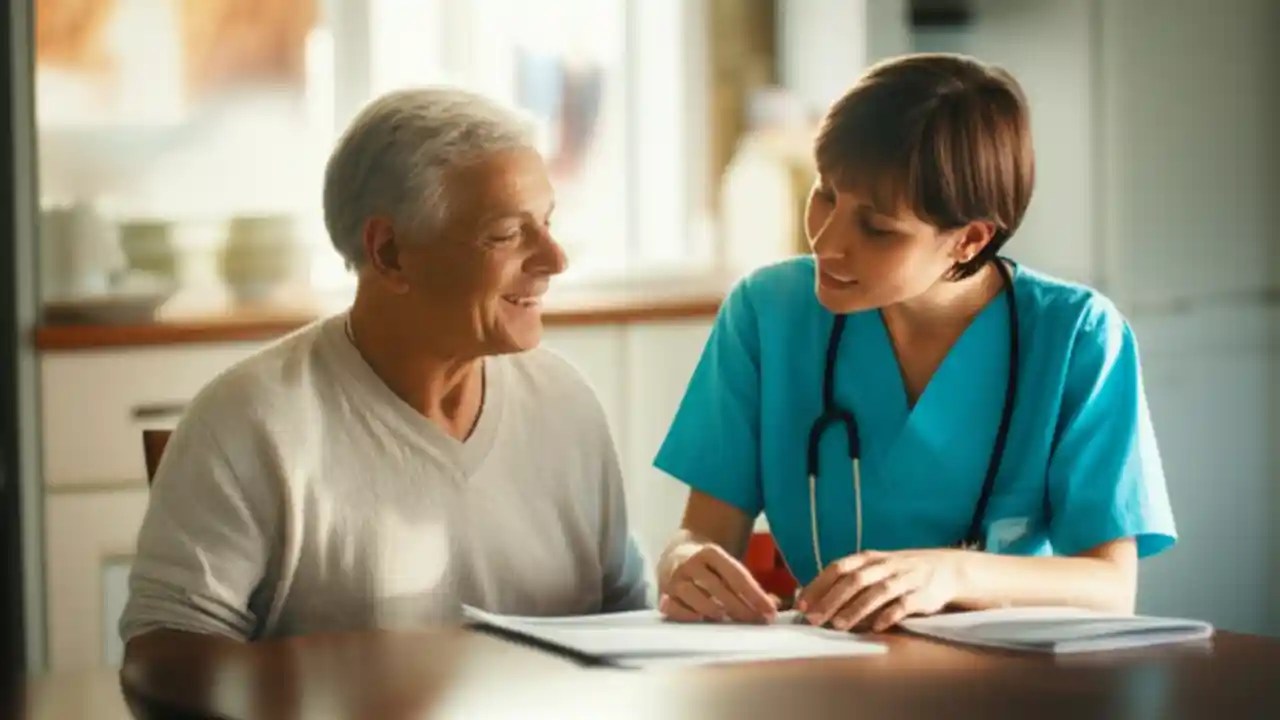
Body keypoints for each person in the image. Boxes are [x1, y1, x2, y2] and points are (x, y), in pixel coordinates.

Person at [120, 88, 649, 663]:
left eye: (546, 223)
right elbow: (166, 658)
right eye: (506, 234)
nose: (554, 259)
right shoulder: (249, 421)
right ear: (390, 252)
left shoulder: (565, 403)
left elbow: (627, 614)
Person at [653, 54, 1176, 633]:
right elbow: (703, 532)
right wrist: (683, 563)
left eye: (876, 228)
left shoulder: (1076, 338)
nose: (826, 242)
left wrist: (952, 575)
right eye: (825, 194)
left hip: (1009, 686)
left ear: (969, 241)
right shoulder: (765, 314)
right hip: (820, 672)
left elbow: (1109, 586)